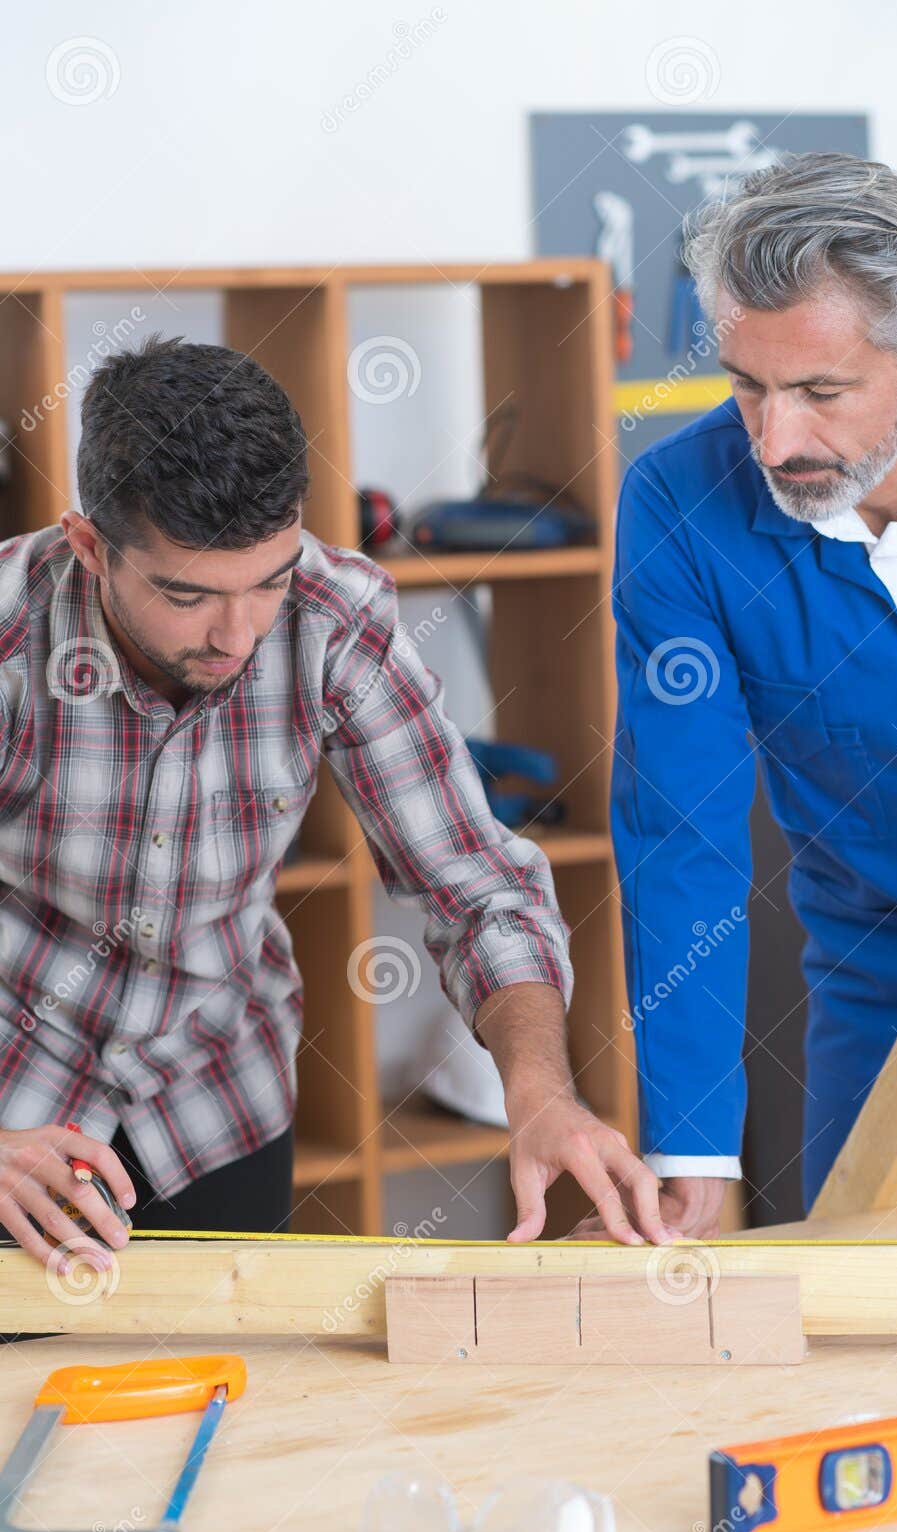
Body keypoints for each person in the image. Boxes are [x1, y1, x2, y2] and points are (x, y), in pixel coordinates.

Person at [0, 334, 678, 1283]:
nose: (237, 636)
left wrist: (539, 1094)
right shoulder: (9, 631)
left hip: (214, 1098)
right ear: (87, 546)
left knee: (226, 1410)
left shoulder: (338, 614)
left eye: (267, 582)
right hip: (15, 1109)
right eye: (188, 594)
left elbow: (474, 885)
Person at [611, 151, 897, 1237]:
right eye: (746, 386)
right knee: (868, 1334)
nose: (774, 439)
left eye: (819, 392)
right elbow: (684, 839)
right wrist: (696, 1151)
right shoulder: (678, 504)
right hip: (885, 1000)